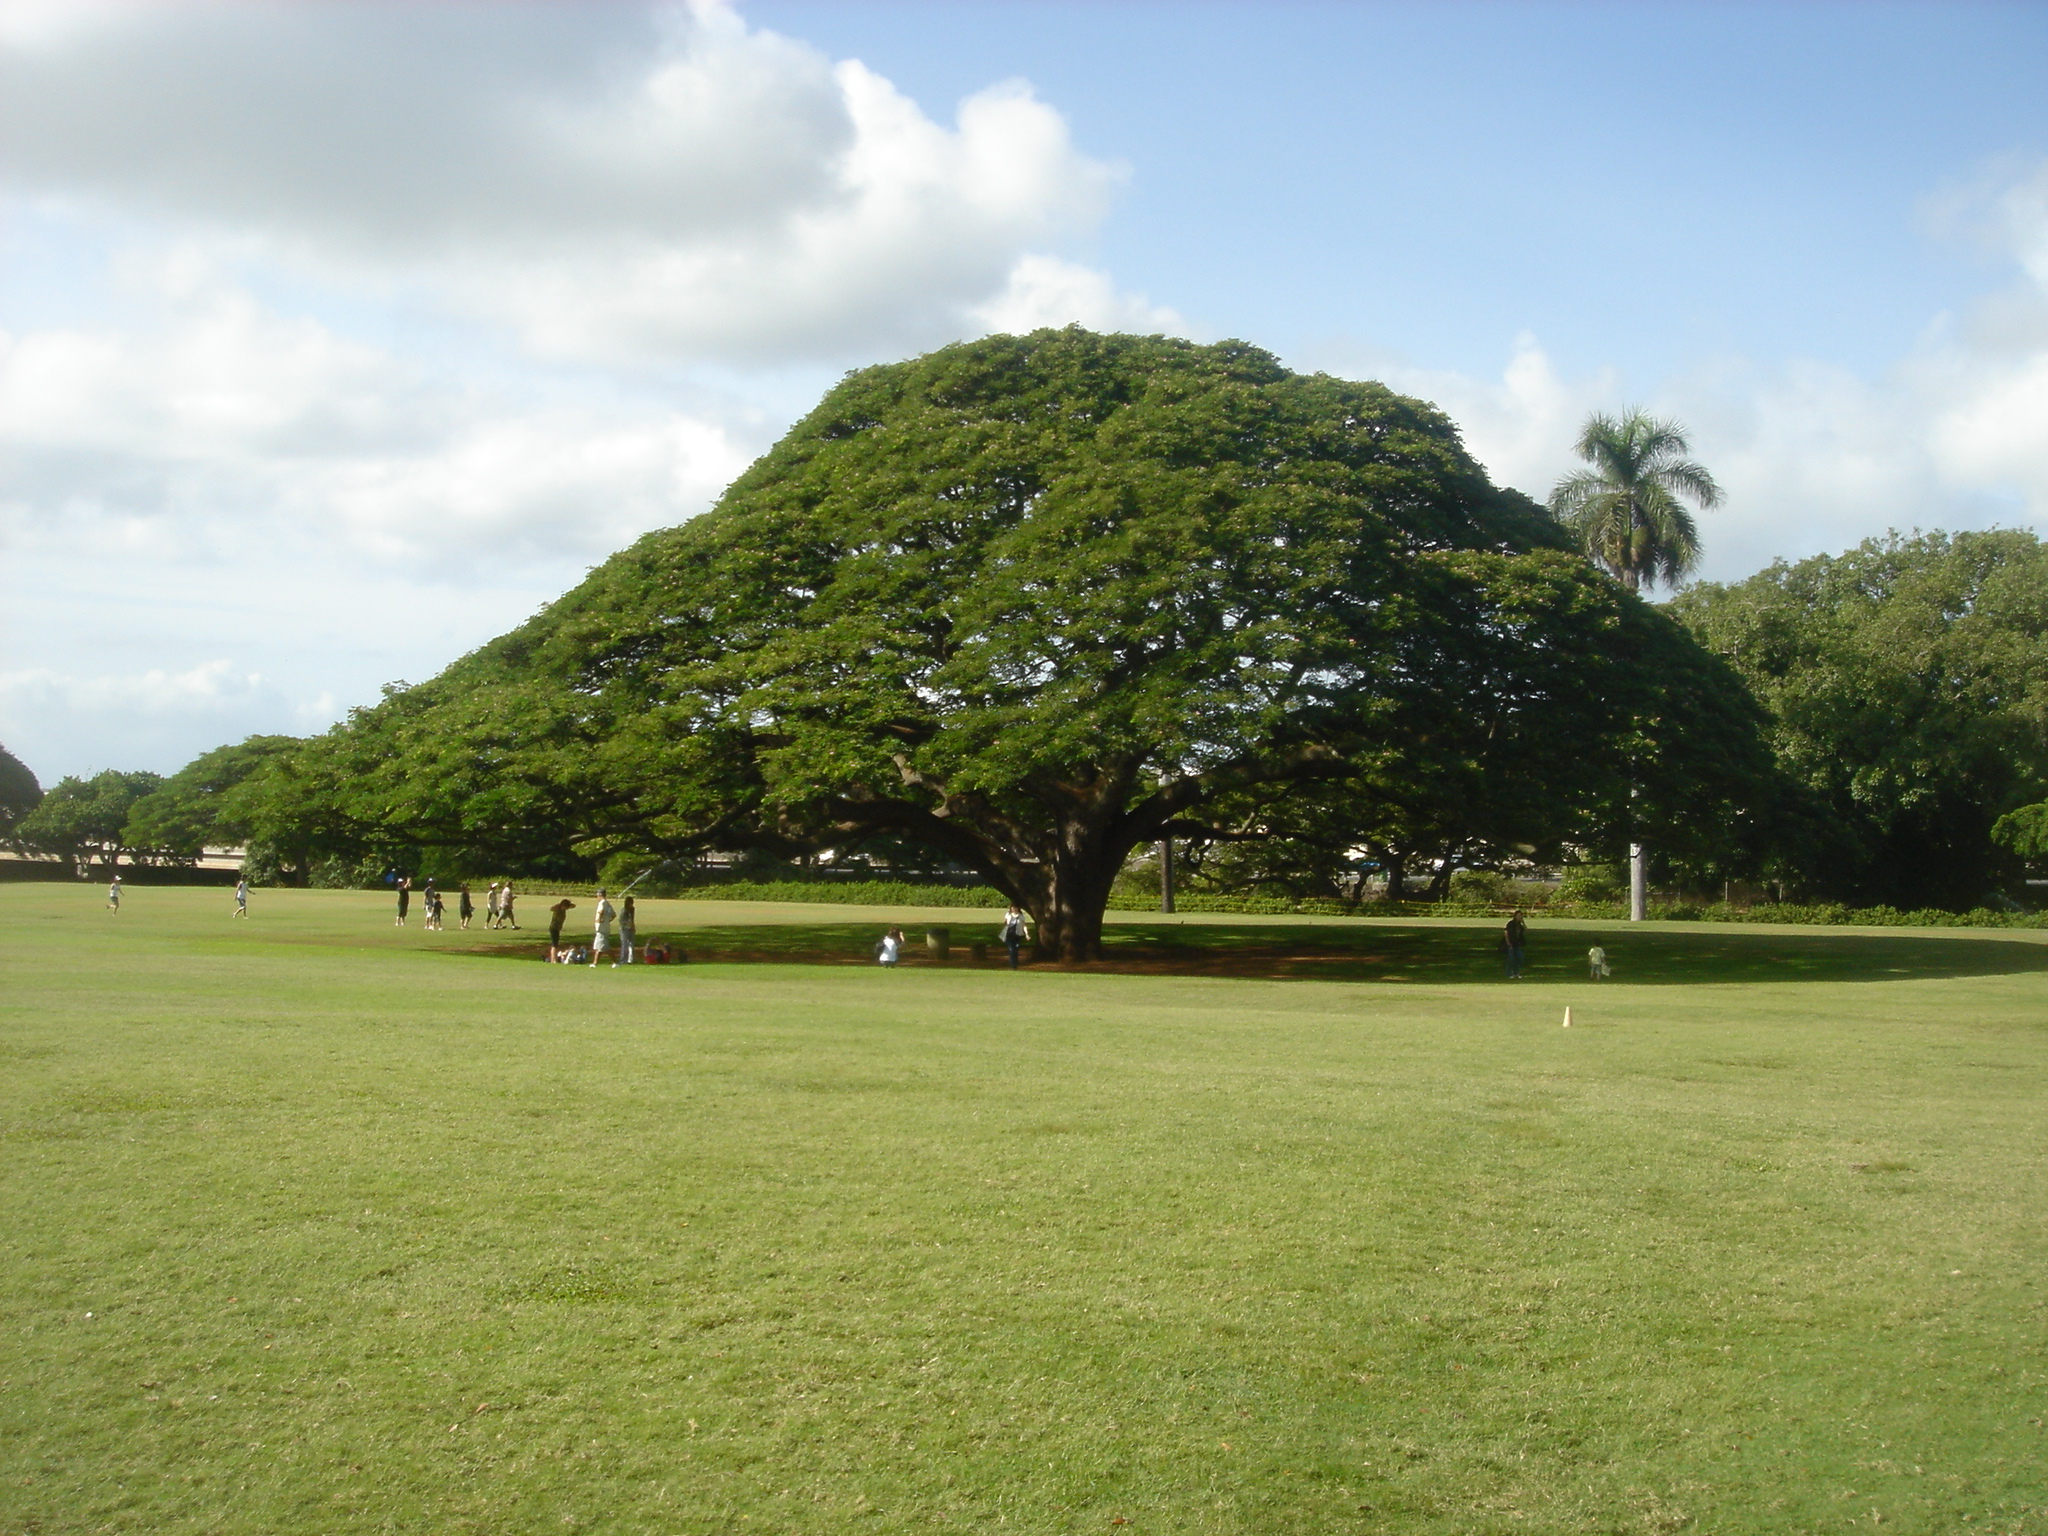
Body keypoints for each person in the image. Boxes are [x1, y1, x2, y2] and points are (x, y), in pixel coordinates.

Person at [999, 904, 1030, 969]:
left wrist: (1026, 934)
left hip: (1017, 935)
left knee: (1016, 949)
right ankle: (1013, 965)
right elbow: (1005, 923)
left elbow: (1024, 926)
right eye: (1013, 907)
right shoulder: (1008, 915)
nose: (1014, 909)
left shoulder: (1021, 916)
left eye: (1016, 907)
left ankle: (1015, 963)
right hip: (1009, 935)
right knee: (1011, 949)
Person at [591, 889, 617, 969]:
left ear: (599, 895)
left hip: (601, 929)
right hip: (605, 928)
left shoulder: (602, 903)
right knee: (599, 947)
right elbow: (613, 915)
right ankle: (595, 963)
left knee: (604, 947)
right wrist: (607, 920)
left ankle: (615, 962)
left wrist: (599, 920)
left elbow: (601, 911)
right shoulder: (607, 904)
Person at [1502, 909, 1528, 980]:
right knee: (1511, 958)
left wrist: (1523, 923)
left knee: (1520, 957)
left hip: (1517, 944)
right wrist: (1508, 942)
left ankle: (1516, 972)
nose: (1519, 917)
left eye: (1520, 916)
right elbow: (1506, 932)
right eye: (1518, 916)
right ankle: (1508, 973)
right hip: (1511, 943)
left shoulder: (1519, 925)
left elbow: (1526, 930)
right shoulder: (1511, 923)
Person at [618, 895, 637, 965]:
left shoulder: (632, 909)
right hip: (624, 929)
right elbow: (621, 921)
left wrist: (633, 927)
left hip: (630, 928)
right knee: (624, 944)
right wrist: (627, 924)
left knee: (631, 944)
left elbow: (632, 919)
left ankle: (631, 959)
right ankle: (623, 959)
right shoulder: (624, 910)